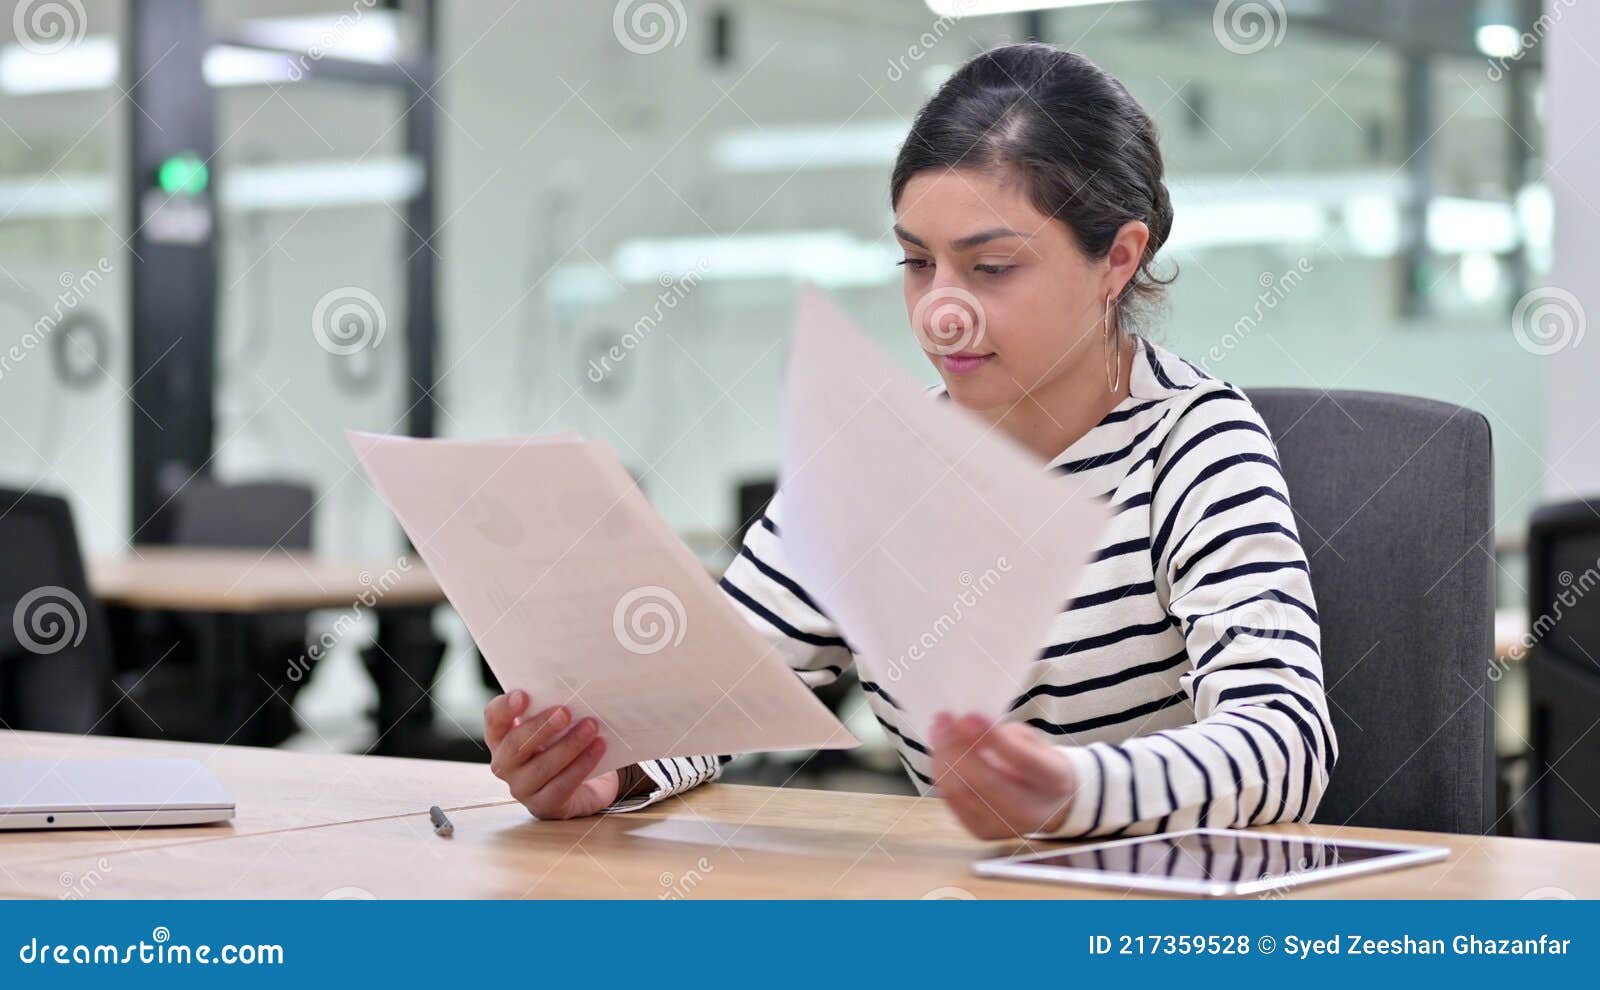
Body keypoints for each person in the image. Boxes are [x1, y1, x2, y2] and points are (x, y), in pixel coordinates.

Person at [482, 41, 1336, 841]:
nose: (941, 312)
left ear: (1117, 260)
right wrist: (617, 769)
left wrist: (1075, 789)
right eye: (917, 263)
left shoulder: (1192, 444)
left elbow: (1286, 742)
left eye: (991, 268)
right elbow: (717, 701)